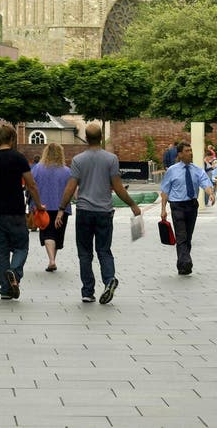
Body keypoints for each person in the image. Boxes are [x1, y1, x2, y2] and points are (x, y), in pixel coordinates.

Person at [55, 122, 141, 304]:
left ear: (86, 138)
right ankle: (109, 280)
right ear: (101, 137)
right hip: (104, 212)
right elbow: (118, 187)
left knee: (85, 253)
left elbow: (71, 187)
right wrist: (133, 204)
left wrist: (61, 209)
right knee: (104, 250)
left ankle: (87, 291)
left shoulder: (78, 160)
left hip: (84, 211)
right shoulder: (111, 159)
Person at [0, 123, 45, 301]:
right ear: (13, 138)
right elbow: (31, 184)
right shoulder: (19, 158)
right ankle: (15, 272)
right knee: (21, 247)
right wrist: (39, 205)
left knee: (1, 252)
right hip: (16, 211)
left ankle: (5, 290)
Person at [160, 141, 215, 275]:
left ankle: (182, 264)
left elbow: (205, 183)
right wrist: (163, 209)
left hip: (191, 205)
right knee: (181, 235)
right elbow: (165, 190)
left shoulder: (197, 170)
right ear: (179, 154)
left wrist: (211, 194)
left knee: (188, 236)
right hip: (177, 205)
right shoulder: (172, 170)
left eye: (191, 150)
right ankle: (186, 263)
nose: (190, 153)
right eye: (187, 151)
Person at [29, 142, 72, 272]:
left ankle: (51, 260)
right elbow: (71, 190)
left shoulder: (37, 169)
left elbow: (31, 186)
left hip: (43, 207)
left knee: (47, 233)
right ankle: (52, 259)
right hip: (61, 208)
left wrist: (33, 204)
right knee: (57, 234)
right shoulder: (67, 171)